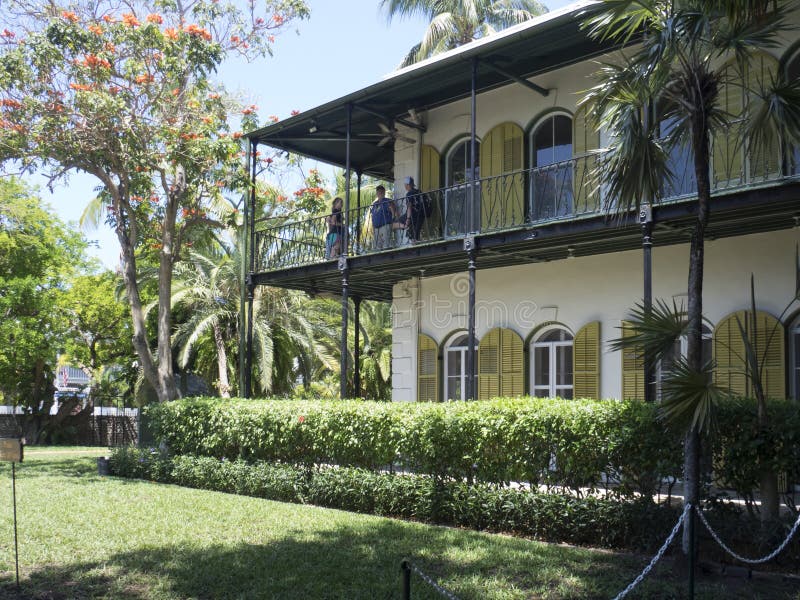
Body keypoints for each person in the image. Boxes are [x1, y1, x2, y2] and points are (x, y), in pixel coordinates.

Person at [370, 185, 395, 250]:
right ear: (376, 193)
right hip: (376, 228)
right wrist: (373, 227)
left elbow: (392, 210)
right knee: (376, 247)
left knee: (386, 245)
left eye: (381, 191)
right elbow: (372, 216)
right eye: (378, 191)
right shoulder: (375, 204)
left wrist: (393, 219)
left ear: (384, 192)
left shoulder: (387, 201)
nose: (379, 193)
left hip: (385, 225)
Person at [403, 176, 427, 243]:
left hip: (413, 217)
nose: (404, 186)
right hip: (421, 216)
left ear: (407, 185)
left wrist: (408, 219)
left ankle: (405, 226)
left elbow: (409, 207)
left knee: (413, 238)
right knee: (416, 235)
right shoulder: (419, 191)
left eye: (405, 184)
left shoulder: (409, 194)